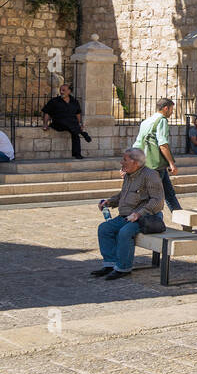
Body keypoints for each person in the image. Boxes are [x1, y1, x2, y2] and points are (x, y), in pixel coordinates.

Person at [91, 148, 165, 280]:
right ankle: (110, 264)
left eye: (124, 160)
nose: (121, 162)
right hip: (126, 216)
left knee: (124, 232)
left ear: (135, 162)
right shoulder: (128, 175)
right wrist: (109, 202)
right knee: (104, 229)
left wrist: (139, 214)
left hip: (146, 218)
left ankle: (123, 267)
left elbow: (157, 200)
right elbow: (123, 195)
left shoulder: (150, 175)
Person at [135, 98, 181, 212]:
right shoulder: (162, 120)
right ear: (166, 108)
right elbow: (163, 144)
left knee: (168, 193)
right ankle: (143, 219)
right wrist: (171, 163)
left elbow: (138, 144)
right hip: (157, 165)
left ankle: (181, 216)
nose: (172, 112)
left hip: (147, 164)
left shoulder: (146, 122)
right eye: (171, 109)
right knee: (156, 196)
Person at [42, 82, 91, 159]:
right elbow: (47, 112)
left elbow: (78, 113)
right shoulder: (54, 101)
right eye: (60, 90)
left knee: (75, 133)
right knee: (70, 124)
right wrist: (45, 124)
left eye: (63, 90)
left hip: (72, 125)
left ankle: (77, 154)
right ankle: (83, 133)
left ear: (69, 91)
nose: (61, 92)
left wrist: (80, 123)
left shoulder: (74, 101)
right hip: (58, 124)